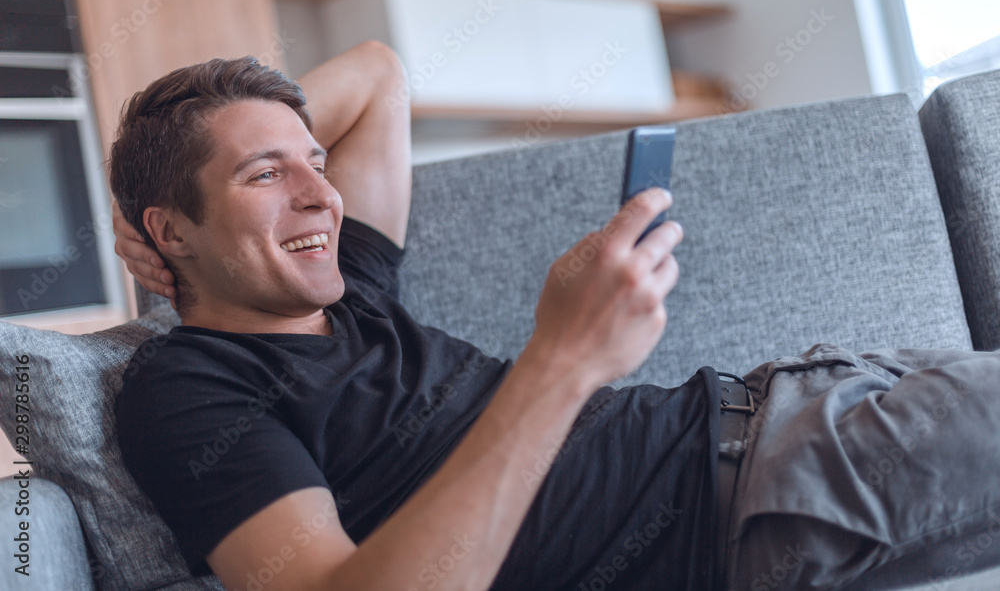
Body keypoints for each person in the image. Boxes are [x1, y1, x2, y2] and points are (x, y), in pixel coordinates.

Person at [110, 42, 1000, 591]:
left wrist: (168, 194)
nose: (321, 195)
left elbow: (379, 72)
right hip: (756, 497)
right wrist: (563, 358)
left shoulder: (353, 292)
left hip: (802, 395)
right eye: (267, 175)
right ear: (173, 230)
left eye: (317, 161)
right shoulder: (189, 385)